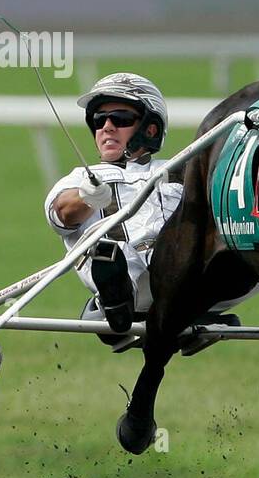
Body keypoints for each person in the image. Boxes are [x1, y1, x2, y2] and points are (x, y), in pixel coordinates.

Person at [45, 72, 181, 335]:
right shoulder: (81, 178)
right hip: (120, 268)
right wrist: (86, 196)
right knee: (110, 253)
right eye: (99, 120)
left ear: (150, 129)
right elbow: (60, 215)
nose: (107, 127)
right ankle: (118, 299)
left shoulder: (180, 169)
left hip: (177, 265)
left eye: (120, 119)